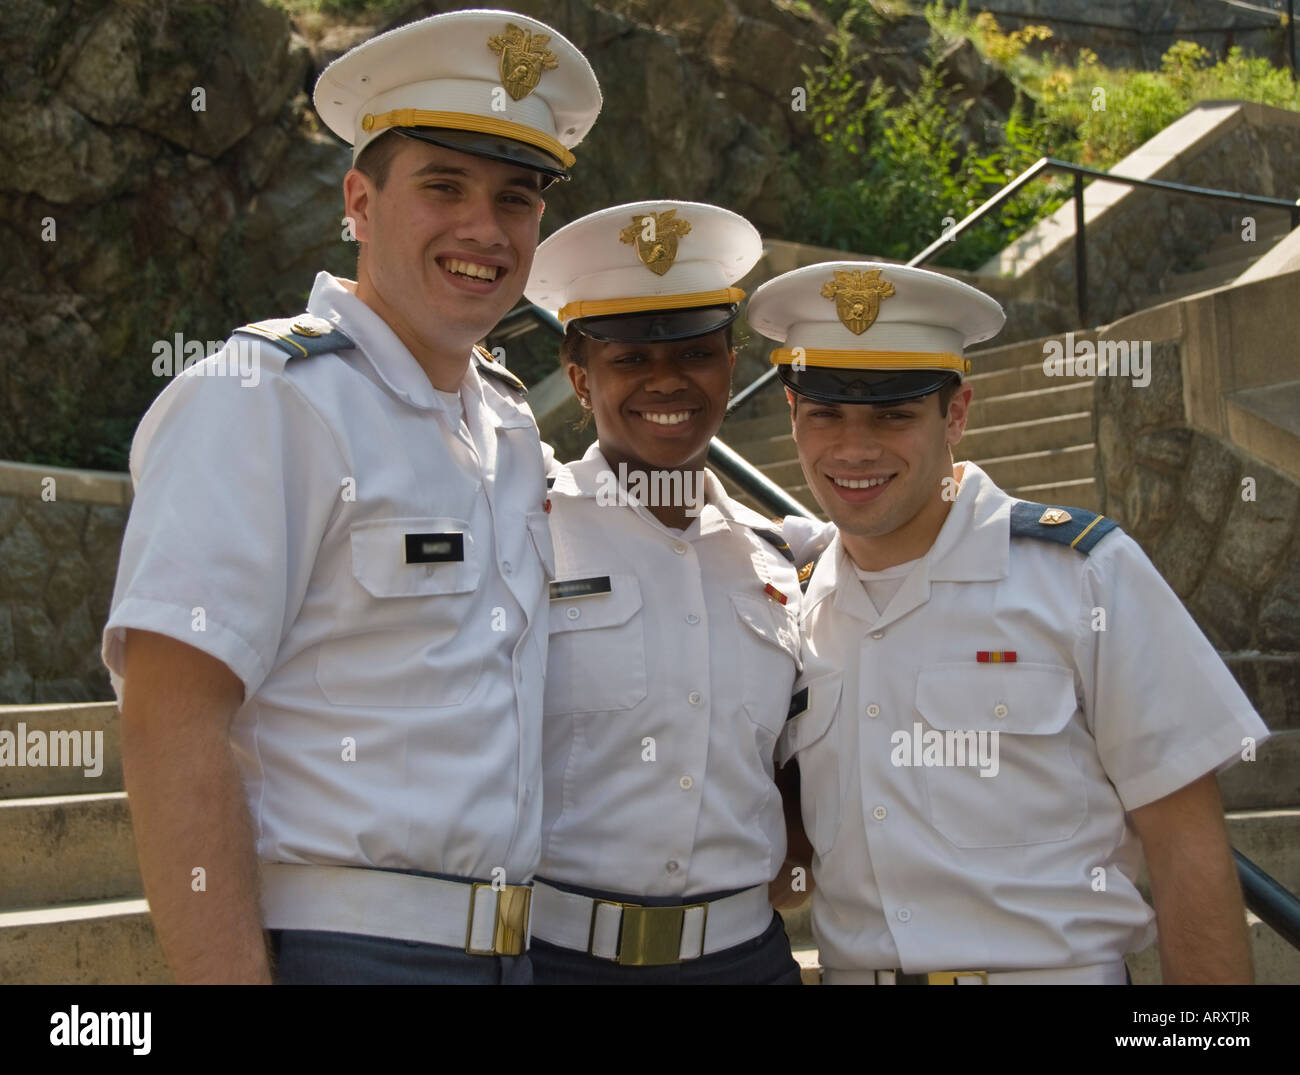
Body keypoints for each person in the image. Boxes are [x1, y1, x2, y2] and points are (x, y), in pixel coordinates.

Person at [101, 10, 601, 984]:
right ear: (360, 203)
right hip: (345, 951)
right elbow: (171, 722)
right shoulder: (260, 400)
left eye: (517, 198)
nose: (483, 230)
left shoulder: (506, 425)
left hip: (512, 952)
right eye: (443, 186)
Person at [749, 260, 1270, 985]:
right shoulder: (796, 606)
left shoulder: (1081, 573)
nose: (854, 448)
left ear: (955, 413)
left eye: (893, 413)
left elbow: (1186, 844)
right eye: (825, 413)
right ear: (792, 413)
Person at [520, 201, 805, 983]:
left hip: (749, 961)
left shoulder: (778, 560)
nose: (668, 381)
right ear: (580, 379)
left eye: (696, 353)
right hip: (563, 961)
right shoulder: (525, 534)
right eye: (631, 360)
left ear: (730, 366)